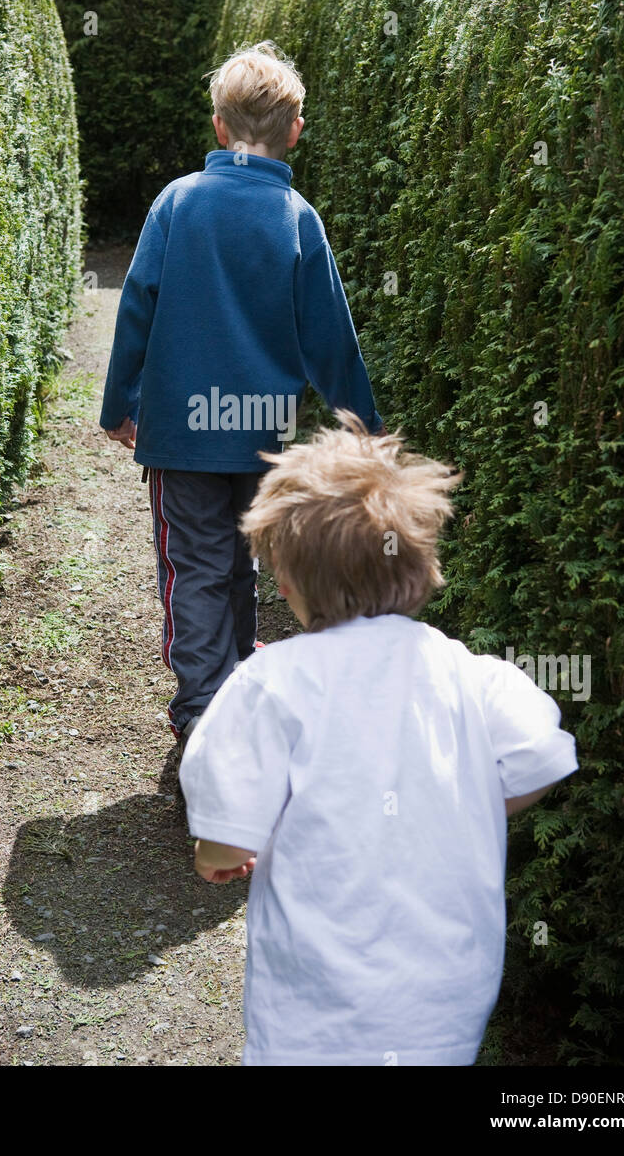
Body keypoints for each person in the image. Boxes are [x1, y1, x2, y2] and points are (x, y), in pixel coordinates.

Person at [179, 412, 579, 1066]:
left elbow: (228, 833)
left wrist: (213, 854)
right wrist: (463, 799)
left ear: (288, 584)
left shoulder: (269, 687)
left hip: (312, 1014)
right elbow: (541, 755)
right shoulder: (470, 677)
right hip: (445, 1005)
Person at [100, 42, 382, 748]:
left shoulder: (178, 203)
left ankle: (201, 709)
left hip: (181, 436)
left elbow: (136, 305)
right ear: (294, 130)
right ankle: (237, 687)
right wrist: (363, 429)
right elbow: (329, 338)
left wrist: (119, 406)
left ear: (219, 127)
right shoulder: (296, 217)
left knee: (194, 565)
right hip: (262, 432)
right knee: (243, 558)